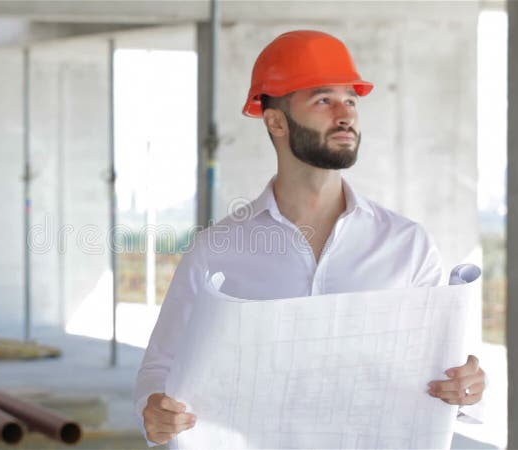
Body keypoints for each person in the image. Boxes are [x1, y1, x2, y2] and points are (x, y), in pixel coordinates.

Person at [134, 30, 485, 446]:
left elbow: (452, 377)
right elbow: (161, 367)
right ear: (276, 121)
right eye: (324, 100)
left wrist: (467, 389)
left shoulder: (408, 247)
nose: (345, 113)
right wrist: (153, 412)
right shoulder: (217, 249)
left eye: (351, 100)